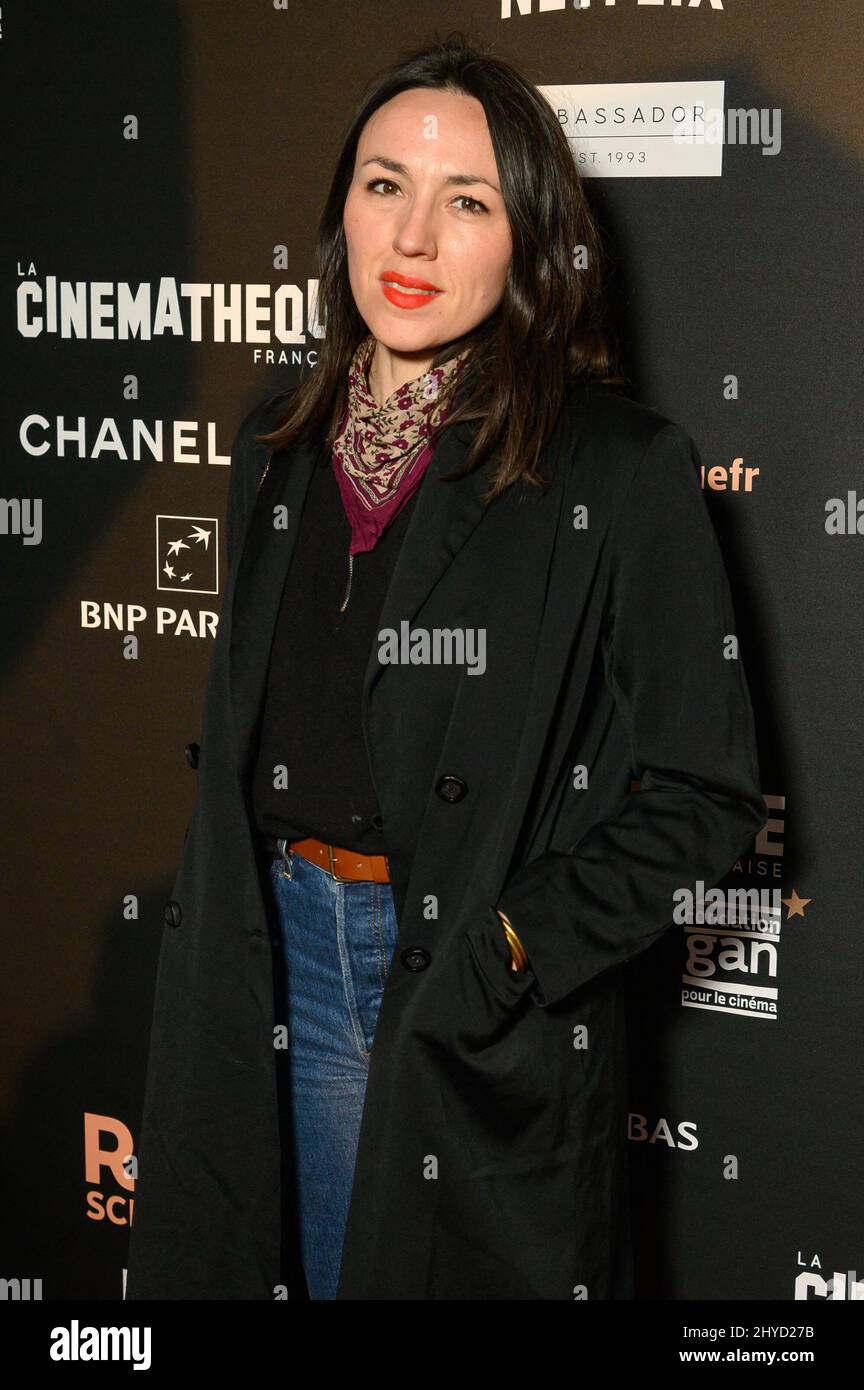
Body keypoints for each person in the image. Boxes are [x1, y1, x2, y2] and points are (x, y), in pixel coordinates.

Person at [126, 33, 766, 1303]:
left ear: (530, 240)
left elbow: (708, 794)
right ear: (340, 215)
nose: (412, 239)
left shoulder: (617, 470)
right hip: (267, 957)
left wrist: (511, 945)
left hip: (456, 992)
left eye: (465, 200)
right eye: (383, 186)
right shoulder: (275, 441)